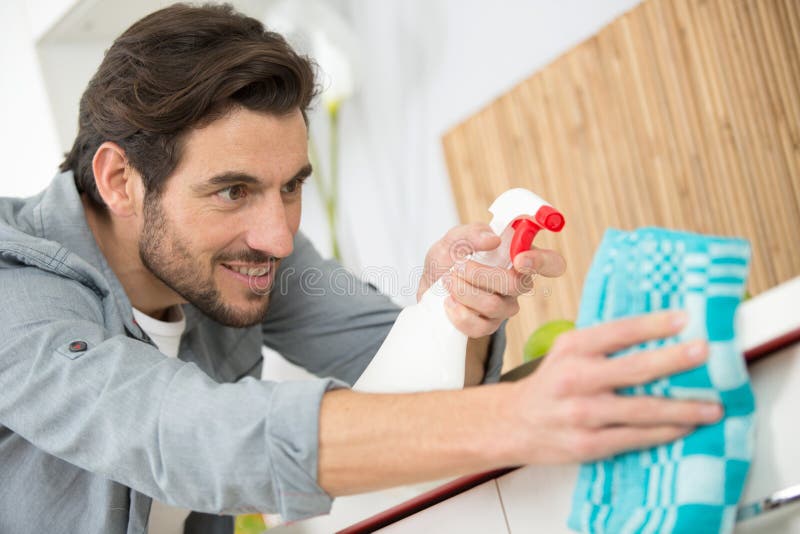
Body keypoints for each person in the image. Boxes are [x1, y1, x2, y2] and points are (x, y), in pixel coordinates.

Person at [0, 3, 722, 533]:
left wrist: (452, 315)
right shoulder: (17, 297)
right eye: (232, 190)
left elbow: (400, 371)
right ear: (121, 181)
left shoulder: (246, 255)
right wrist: (516, 417)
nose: (278, 237)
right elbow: (188, 434)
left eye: (291, 186)